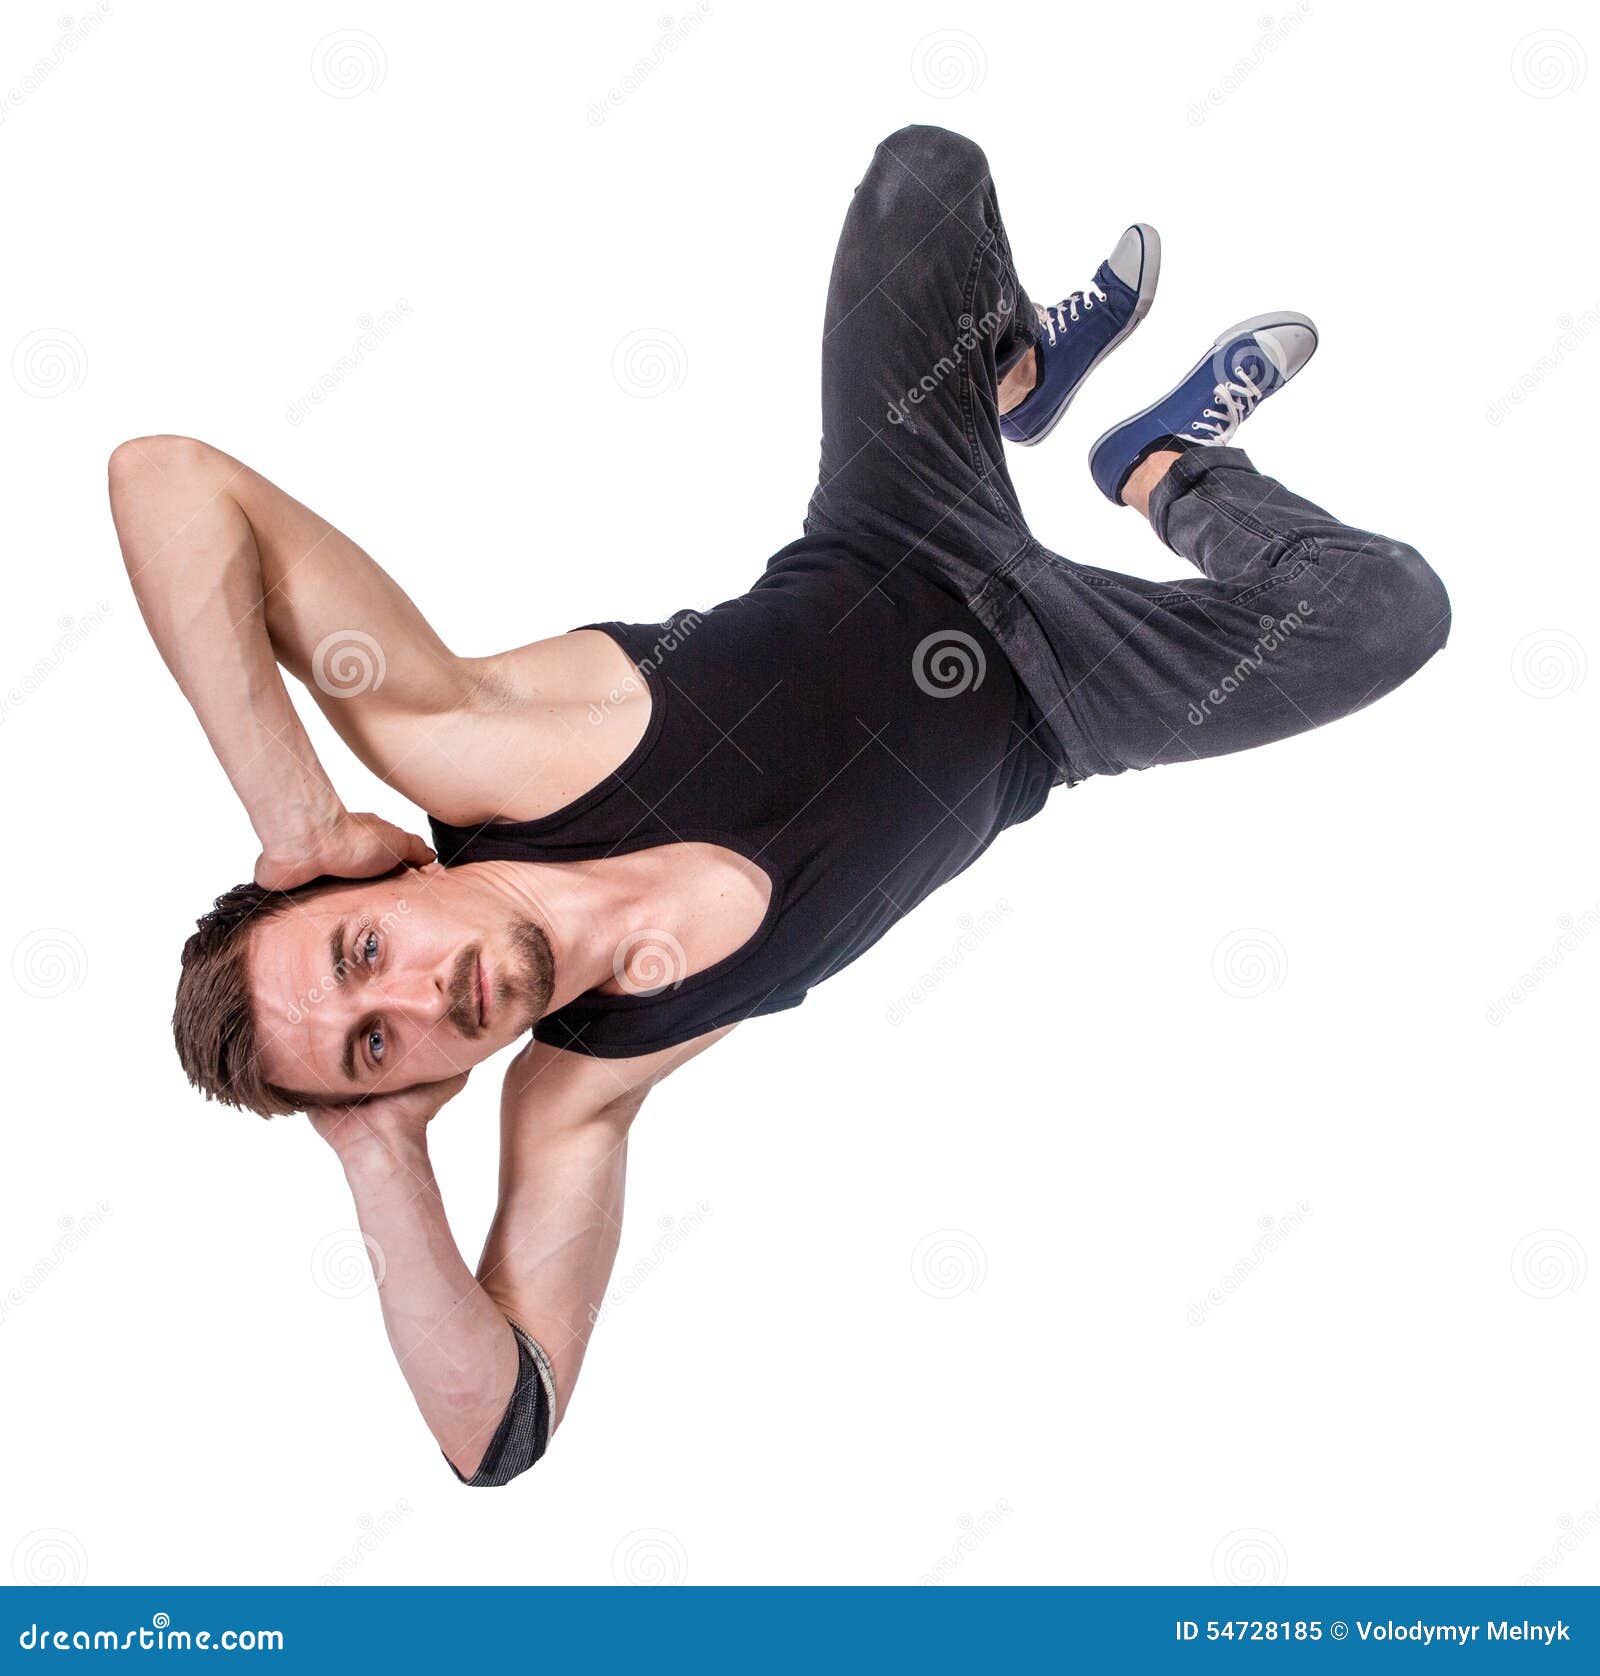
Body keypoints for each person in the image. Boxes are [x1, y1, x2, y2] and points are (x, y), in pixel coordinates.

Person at [109, 126, 1448, 1486]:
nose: (415, 1000)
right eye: (374, 1050)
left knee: (927, 172)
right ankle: (1166, 467)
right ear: (417, 1088)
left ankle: (1017, 373)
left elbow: (166, 478)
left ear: (380, 882)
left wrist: (297, 822)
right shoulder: (581, 1090)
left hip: (902, 521)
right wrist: (378, 1160)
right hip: (1066, 704)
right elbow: (494, 1433)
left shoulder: (465, 745)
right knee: (1391, 614)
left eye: (359, 957)